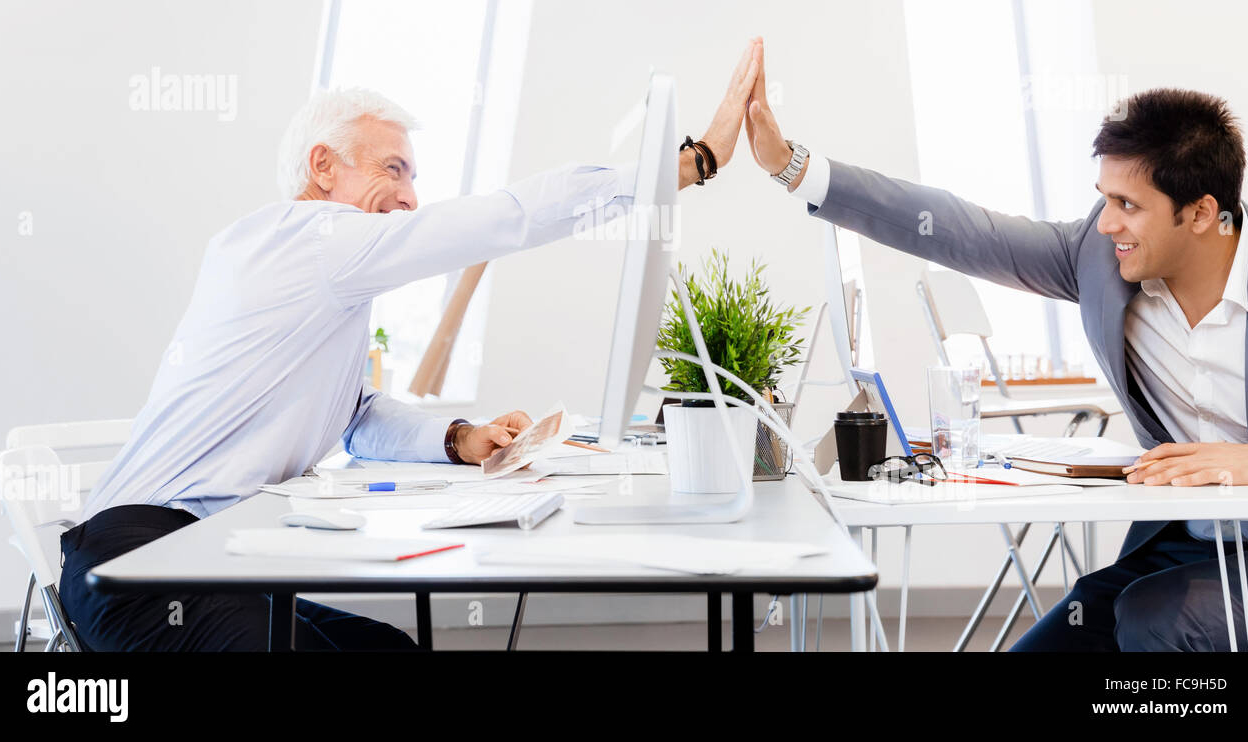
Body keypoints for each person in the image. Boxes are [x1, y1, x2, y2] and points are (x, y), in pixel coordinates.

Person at [59, 40, 763, 651]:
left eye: (413, 177)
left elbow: (356, 416)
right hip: (140, 564)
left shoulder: (317, 274)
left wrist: (461, 437)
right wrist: (687, 164)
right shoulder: (313, 243)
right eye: (393, 169)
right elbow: (505, 218)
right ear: (323, 167)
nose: (409, 198)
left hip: (214, 559)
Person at [743, 37, 1248, 651]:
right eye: (1104, 198)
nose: (1105, 224)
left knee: (1154, 620)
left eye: (1128, 205)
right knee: (1071, 634)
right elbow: (967, 232)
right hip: (1185, 548)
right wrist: (795, 167)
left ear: (1203, 212)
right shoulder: (1100, 259)